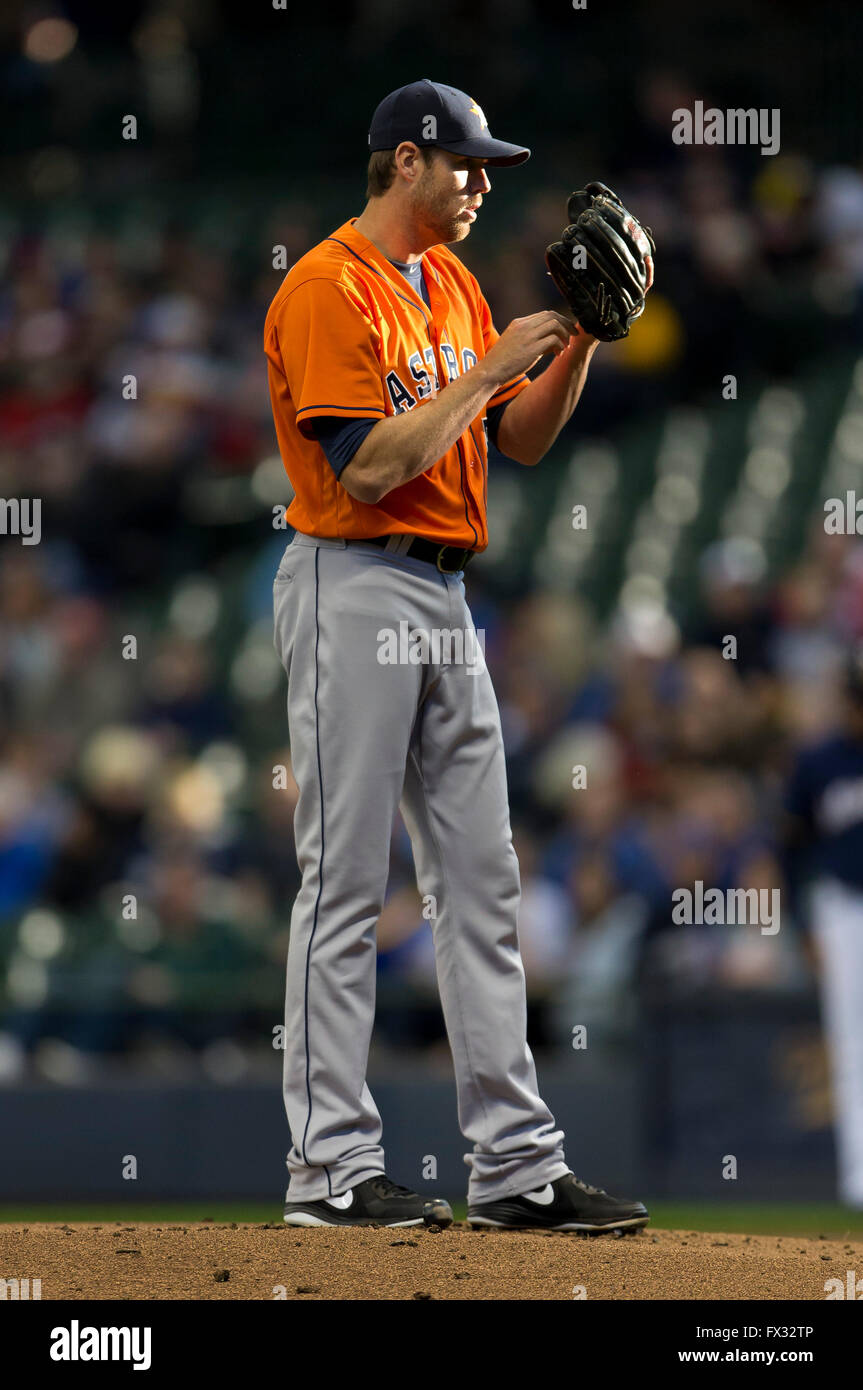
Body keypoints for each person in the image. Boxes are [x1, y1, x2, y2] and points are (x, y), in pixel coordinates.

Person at [264, 78, 650, 1232]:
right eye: (466, 164)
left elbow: (518, 440)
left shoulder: (454, 285)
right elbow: (366, 469)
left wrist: (576, 339)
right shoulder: (329, 287)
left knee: (483, 886)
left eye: (488, 166)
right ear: (401, 163)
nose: (483, 183)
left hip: (443, 591)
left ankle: (515, 1168)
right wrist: (483, 372)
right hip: (349, 575)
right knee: (344, 881)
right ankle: (329, 1170)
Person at [784, 646, 863, 1210]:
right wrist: (802, 921)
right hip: (841, 906)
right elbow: (793, 846)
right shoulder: (818, 761)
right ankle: (859, 1179)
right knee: (849, 1040)